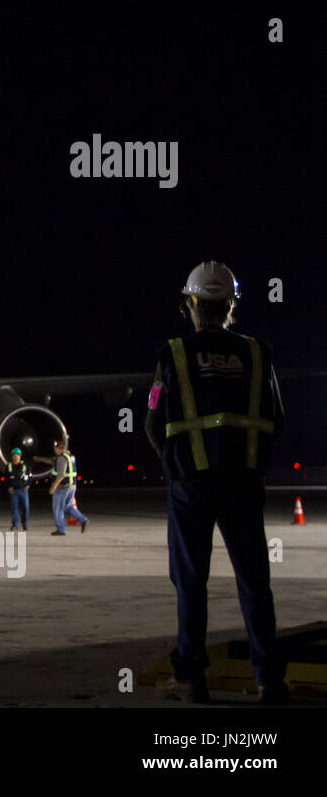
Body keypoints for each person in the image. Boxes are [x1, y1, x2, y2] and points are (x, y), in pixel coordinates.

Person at [147, 261, 288, 705]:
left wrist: (177, 463)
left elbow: (153, 421)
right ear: (230, 306)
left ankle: (191, 680)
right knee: (254, 582)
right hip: (244, 483)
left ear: (192, 304)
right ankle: (269, 681)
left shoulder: (173, 353)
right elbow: (277, 420)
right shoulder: (259, 352)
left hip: (190, 485)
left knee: (191, 582)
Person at [48, 439, 87, 535]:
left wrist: (54, 486)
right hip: (72, 486)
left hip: (62, 487)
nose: (54, 450)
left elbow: (61, 475)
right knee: (67, 506)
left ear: (60, 448)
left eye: (55, 448)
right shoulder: (70, 456)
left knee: (58, 508)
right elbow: (51, 461)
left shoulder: (61, 458)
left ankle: (61, 529)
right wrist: (39, 459)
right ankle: (82, 519)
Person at [0, 447, 31, 530]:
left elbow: (30, 476)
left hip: (23, 489)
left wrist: (28, 485)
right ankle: (15, 524)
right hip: (14, 490)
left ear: (20, 456)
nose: (16, 457)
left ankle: (24, 523)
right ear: (12, 456)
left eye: (17, 455)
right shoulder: (9, 466)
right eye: (14, 455)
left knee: (26, 507)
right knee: (14, 508)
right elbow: (6, 478)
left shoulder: (25, 466)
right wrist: (9, 487)